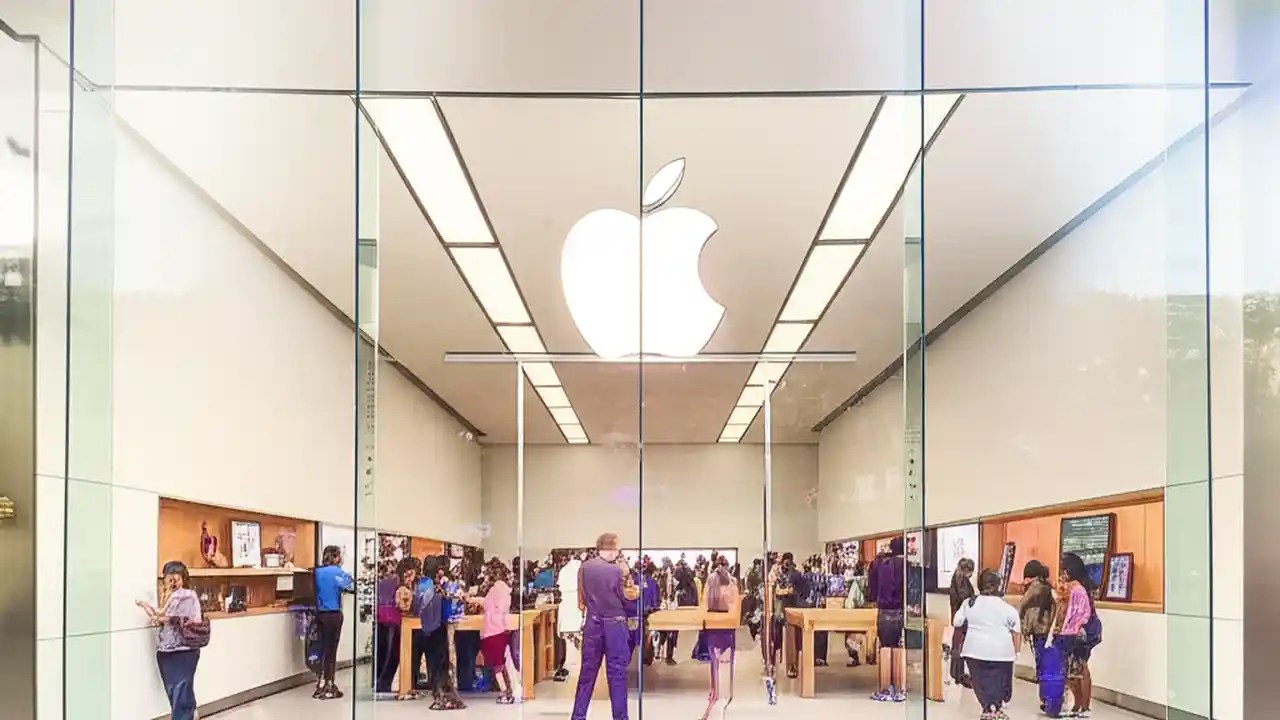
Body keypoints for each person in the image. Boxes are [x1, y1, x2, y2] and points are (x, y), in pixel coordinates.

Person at [571, 533, 637, 720]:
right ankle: (620, 717)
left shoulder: (585, 568)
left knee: (587, 673)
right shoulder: (618, 571)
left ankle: (578, 716)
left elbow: (581, 598)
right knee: (616, 674)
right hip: (615, 624)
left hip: (592, 623)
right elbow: (628, 598)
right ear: (613, 548)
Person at [137, 560, 203, 720]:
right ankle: (191, 713)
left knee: (179, 693)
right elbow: (161, 617)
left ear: (183, 579)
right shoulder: (170, 596)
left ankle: (187, 715)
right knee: (177, 693)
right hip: (167, 651)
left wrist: (157, 615)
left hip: (183, 650)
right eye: (169, 578)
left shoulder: (187, 595)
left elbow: (174, 618)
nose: (172, 581)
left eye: (176, 578)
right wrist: (148, 608)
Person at [953, 569, 1021, 720]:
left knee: (980, 681)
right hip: (1002, 652)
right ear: (998, 586)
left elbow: (956, 622)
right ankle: (996, 708)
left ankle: (987, 708)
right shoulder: (1007, 608)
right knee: (998, 681)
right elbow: (1016, 630)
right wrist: (1017, 652)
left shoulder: (969, 603)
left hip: (974, 650)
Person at [1058, 553, 1099, 718]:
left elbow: (1084, 613)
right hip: (1070, 630)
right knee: (1071, 667)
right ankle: (1078, 703)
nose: (1062, 574)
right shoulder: (1072, 587)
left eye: (1064, 570)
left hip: (1083, 631)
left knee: (1081, 667)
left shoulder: (1081, 588)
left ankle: (1084, 705)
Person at [700, 559, 740, 720]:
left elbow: (703, 606)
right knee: (726, 669)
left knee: (715, 669)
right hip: (727, 629)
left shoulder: (709, 584)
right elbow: (736, 611)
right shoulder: (732, 585)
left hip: (712, 629)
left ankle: (714, 700)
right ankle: (722, 705)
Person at [313, 545, 354, 699]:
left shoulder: (316, 572)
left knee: (321, 648)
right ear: (336, 557)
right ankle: (329, 683)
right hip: (334, 614)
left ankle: (320, 682)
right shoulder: (338, 572)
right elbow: (350, 586)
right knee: (331, 650)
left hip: (320, 614)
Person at [868, 537, 906, 701]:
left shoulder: (880, 564)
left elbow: (872, 587)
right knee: (897, 647)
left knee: (884, 648)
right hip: (900, 609)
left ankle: (885, 688)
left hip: (884, 609)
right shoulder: (907, 566)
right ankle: (899, 688)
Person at [478, 562, 515, 704]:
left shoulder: (496, 589)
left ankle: (505, 692)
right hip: (500, 629)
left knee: (497, 666)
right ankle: (508, 690)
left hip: (493, 629)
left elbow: (494, 607)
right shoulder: (505, 589)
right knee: (501, 663)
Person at [1019, 560, 1056, 687]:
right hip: (1045, 625)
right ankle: (1044, 676)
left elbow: (1023, 605)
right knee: (1043, 652)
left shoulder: (1034, 587)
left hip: (1036, 626)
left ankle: (1042, 676)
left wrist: (1023, 626)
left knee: (1039, 653)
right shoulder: (1048, 587)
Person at [948, 557, 977, 688]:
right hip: (962, 617)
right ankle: (958, 674)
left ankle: (956, 673)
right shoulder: (961, 581)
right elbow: (965, 599)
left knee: (957, 644)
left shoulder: (957, 577)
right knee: (960, 646)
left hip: (958, 616)